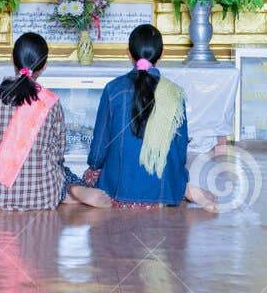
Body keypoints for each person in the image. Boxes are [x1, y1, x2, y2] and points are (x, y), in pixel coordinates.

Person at [0, 33, 110, 211]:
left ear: (13, 61)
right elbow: (58, 155)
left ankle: (69, 192)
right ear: (44, 66)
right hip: (44, 197)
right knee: (61, 170)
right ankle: (71, 190)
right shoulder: (51, 101)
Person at [84, 25, 216, 209]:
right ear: (161, 55)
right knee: (174, 175)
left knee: (84, 182)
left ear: (129, 53)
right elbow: (180, 148)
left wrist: (93, 166)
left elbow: (100, 144)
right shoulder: (174, 92)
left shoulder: (113, 89)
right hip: (163, 189)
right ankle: (183, 190)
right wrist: (179, 177)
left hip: (119, 189)